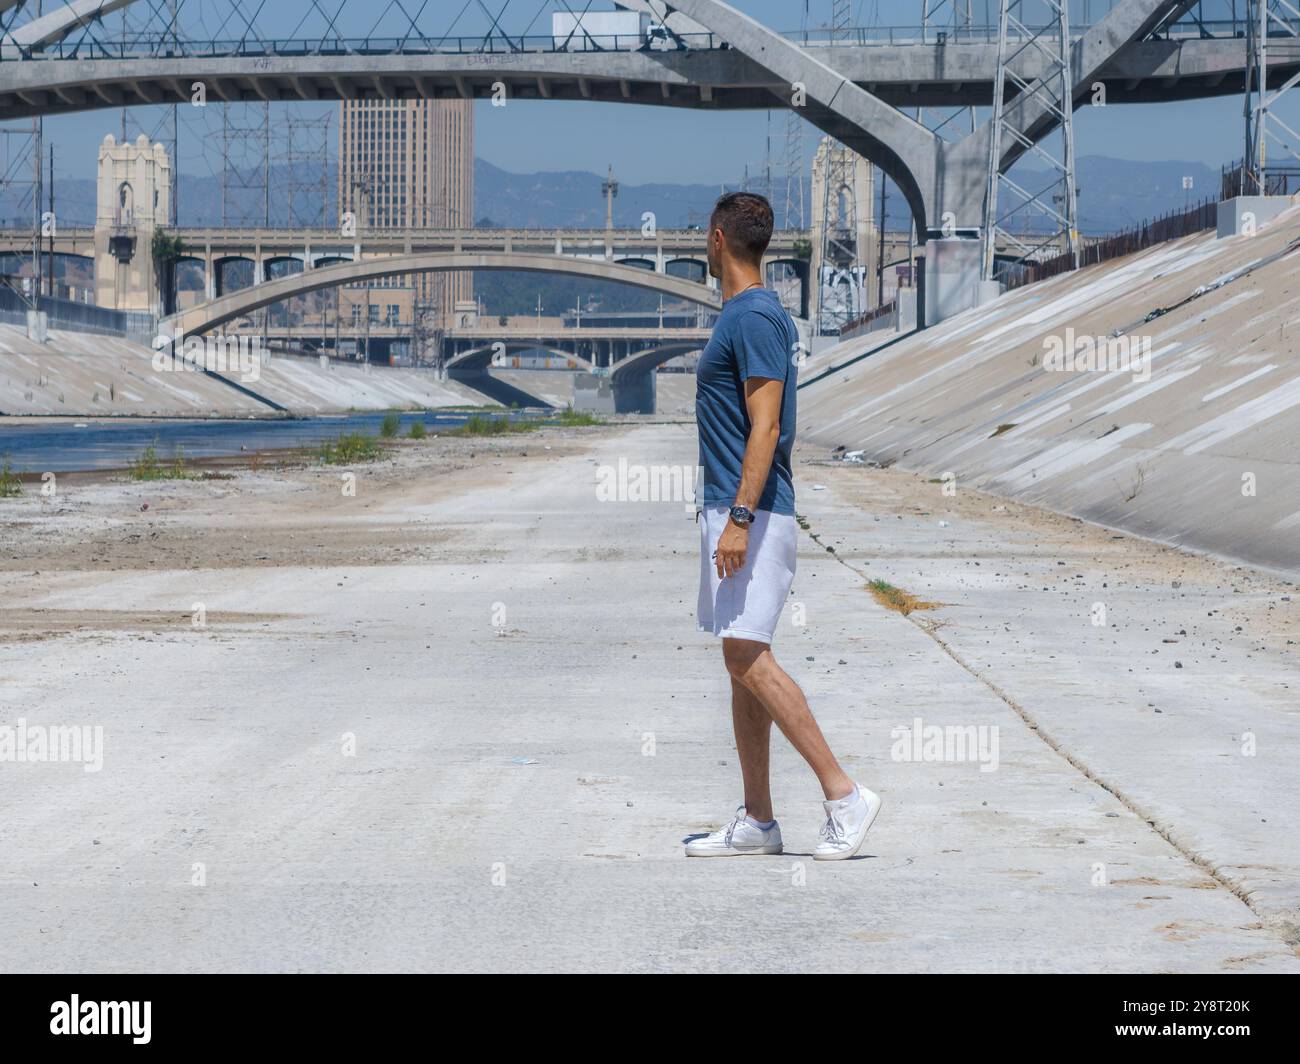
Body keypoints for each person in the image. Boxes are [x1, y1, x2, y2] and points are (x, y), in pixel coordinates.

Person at [686, 191, 881, 861]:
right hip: (733, 508)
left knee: (748, 656)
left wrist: (739, 518)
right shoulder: (746, 315)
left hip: (755, 513)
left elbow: (766, 426)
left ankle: (845, 796)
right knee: (738, 657)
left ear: (717, 239)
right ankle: (759, 820)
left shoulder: (757, 317)